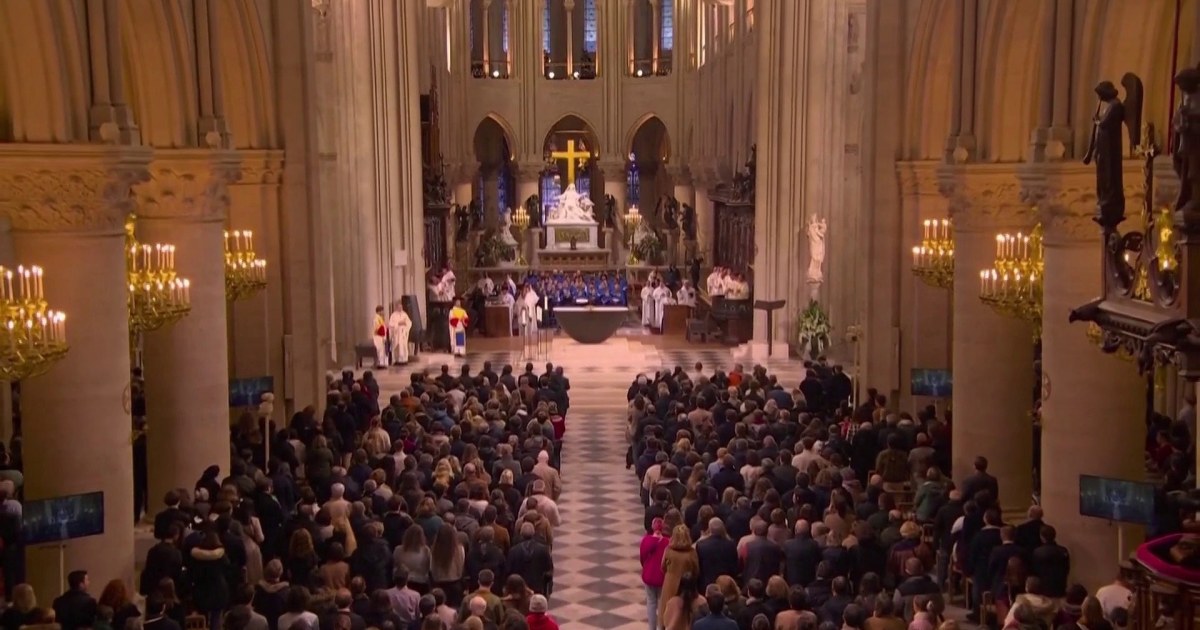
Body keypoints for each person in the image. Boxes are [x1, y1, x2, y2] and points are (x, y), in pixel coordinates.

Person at [639, 518, 670, 630]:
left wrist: (645, 567)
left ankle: (651, 628)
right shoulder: (667, 542)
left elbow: (642, 558)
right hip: (662, 577)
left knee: (651, 603)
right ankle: (661, 627)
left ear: (653, 527)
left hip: (649, 575)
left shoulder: (646, 540)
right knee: (662, 603)